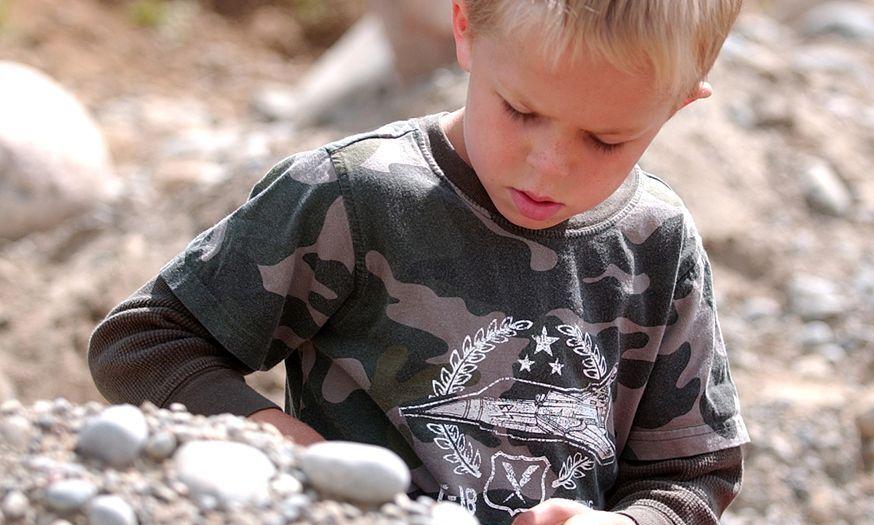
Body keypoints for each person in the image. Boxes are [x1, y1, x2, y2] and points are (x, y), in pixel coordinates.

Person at [89, 1, 749, 524]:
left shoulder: (656, 240)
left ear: (680, 102)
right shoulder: (355, 194)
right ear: (464, 25)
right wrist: (284, 444)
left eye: (606, 139)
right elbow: (141, 343)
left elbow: (692, 473)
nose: (549, 165)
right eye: (520, 110)